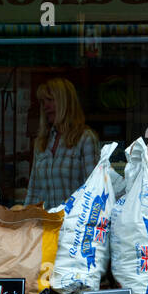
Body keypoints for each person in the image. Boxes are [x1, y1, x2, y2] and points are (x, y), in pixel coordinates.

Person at [24, 78, 98, 208]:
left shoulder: (85, 139)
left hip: (73, 225)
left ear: (66, 103)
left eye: (50, 100)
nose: (45, 106)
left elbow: (94, 191)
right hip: (46, 225)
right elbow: (34, 191)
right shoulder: (41, 142)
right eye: (43, 102)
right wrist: (24, 221)